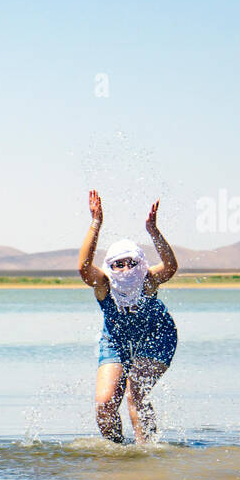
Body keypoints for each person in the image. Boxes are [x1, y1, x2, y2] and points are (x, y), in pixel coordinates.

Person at [78, 190, 178, 444]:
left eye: (131, 263)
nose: (125, 269)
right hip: (116, 342)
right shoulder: (104, 285)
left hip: (157, 337)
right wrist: (95, 223)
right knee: (104, 405)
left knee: (136, 395)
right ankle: (118, 452)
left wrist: (153, 232)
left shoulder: (148, 280)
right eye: (118, 264)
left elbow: (170, 267)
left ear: (141, 264)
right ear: (110, 266)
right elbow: (83, 267)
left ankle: (147, 453)